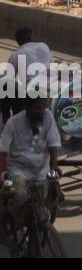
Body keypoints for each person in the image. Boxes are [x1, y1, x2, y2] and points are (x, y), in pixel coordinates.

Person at [0, 97, 62, 229]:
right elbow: (3, 149)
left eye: (43, 108)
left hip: (41, 169)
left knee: (54, 192)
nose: (41, 111)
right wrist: (3, 171)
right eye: (37, 108)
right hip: (18, 170)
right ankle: (17, 222)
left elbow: (53, 142)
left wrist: (54, 165)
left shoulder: (47, 117)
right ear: (27, 108)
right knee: (20, 195)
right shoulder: (13, 123)